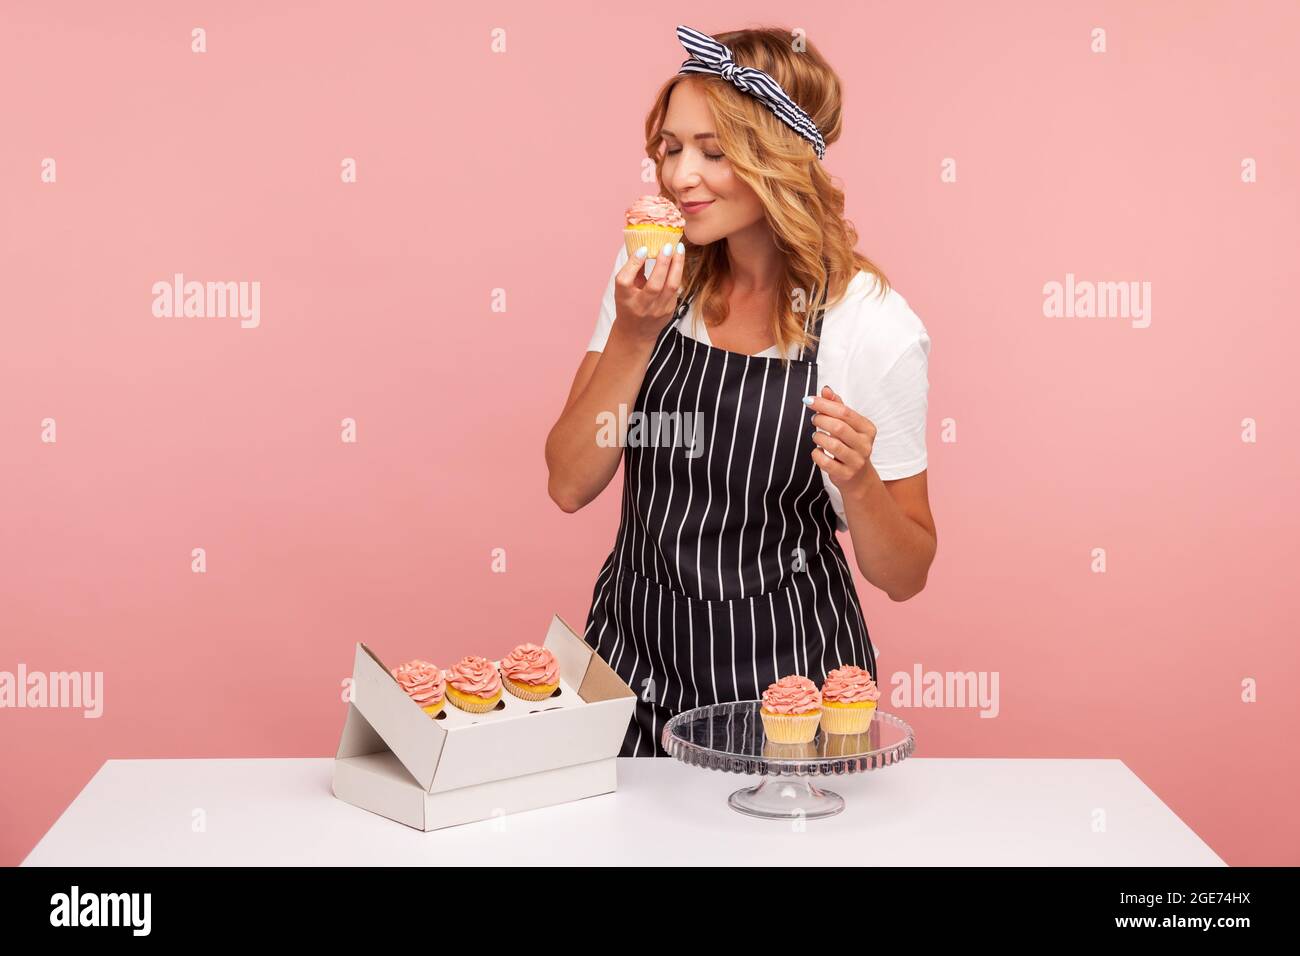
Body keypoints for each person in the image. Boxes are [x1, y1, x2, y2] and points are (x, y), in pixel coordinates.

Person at [544, 25, 937, 756]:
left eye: (713, 152)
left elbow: (907, 573)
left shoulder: (870, 325)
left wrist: (858, 483)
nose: (678, 176)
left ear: (779, 159)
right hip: (632, 667)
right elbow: (568, 481)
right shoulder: (650, 276)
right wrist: (633, 335)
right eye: (670, 147)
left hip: (790, 688)